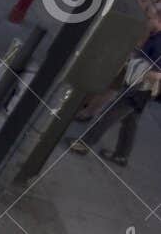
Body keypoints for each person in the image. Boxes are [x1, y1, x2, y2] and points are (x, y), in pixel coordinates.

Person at [69, 30, 161, 166]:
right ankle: (121, 156)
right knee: (131, 121)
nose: (148, 16)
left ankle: (83, 145)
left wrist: (136, 70)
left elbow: (158, 74)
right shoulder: (156, 35)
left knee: (109, 115)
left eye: (150, 14)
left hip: (139, 89)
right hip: (140, 89)